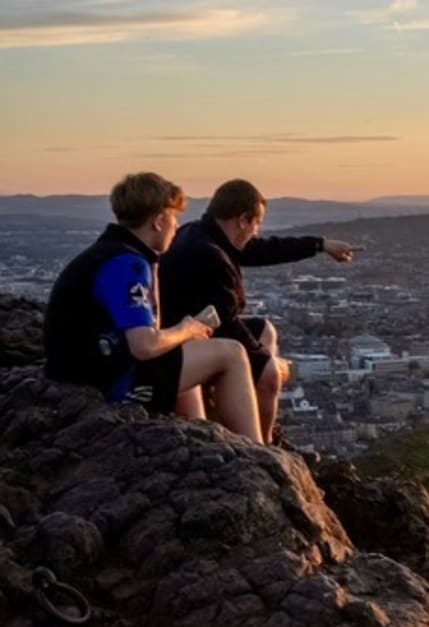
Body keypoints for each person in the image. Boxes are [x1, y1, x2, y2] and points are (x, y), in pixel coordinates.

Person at [43, 173, 264, 442]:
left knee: (180, 355)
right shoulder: (128, 264)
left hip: (82, 371)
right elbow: (144, 346)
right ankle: (255, 448)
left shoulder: (112, 252)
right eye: (174, 217)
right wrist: (187, 328)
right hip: (107, 381)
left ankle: (201, 438)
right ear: (159, 220)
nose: (176, 225)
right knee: (232, 353)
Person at [159, 179, 358, 444]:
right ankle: (262, 447)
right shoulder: (211, 256)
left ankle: (241, 415)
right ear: (242, 220)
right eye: (256, 222)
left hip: (195, 332)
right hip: (181, 345)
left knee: (265, 330)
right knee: (270, 375)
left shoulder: (201, 233)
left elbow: (263, 249)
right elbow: (227, 323)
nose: (257, 230)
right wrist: (266, 362)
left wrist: (321, 245)